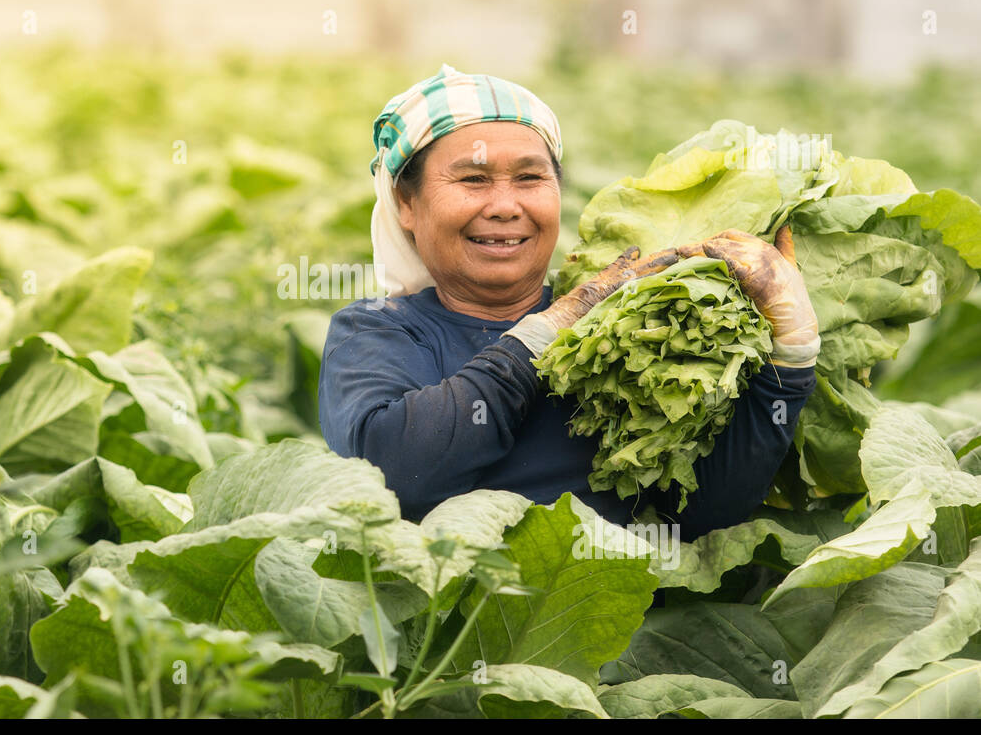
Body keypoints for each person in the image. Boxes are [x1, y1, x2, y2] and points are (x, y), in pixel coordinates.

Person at [317, 65, 820, 540]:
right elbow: (393, 472)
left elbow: (697, 516)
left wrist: (790, 359)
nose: (505, 206)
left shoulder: (625, 329)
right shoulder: (374, 332)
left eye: (530, 178)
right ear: (407, 203)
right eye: (473, 179)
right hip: (443, 624)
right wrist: (547, 330)